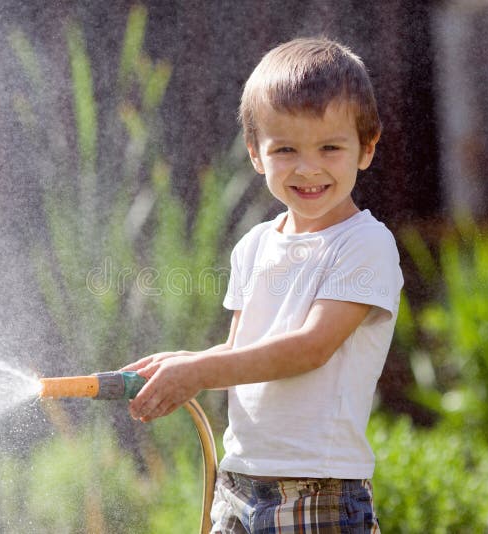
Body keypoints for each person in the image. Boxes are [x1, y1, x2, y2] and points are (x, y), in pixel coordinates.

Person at [123, 37, 403, 533]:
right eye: (286, 149)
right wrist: (183, 364)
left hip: (317, 489)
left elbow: (309, 348)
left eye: (330, 148)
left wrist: (201, 371)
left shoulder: (364, 244)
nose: (308, 167)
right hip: (240, 481)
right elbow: (241, 352)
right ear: (256, 153)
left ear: (367, 147)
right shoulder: (253, 246)